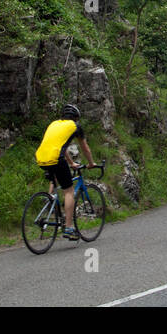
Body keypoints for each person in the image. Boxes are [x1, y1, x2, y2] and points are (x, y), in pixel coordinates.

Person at [35, 103, 96, 241]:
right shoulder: (75, 127)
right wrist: (91, 163)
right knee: (68, 191)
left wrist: (71, 163)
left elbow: (61, 147)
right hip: (56, 159)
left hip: (41, 158)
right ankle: (69, 227)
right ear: (76, 117)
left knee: (55, 178)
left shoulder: (54, 124)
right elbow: (85, 149)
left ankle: (50, 199)